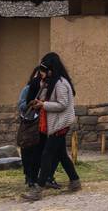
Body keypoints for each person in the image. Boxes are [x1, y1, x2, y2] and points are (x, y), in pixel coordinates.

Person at [24, 52, 80, 201]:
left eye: (43, 71)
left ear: (51, 70)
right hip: (55, 123)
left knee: (47, 154)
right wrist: (39, 103)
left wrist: (44, 105)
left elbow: (62, 104)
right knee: (61, 154)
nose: (40, 74)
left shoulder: (61, 83)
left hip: (60, 124)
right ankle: (75, 181)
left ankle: (38, 189)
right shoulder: (51, 82)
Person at [17, 64, 48, 192]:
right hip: (30, 123)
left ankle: (37, 176)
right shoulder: (27, 89)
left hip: (41, 123)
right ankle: (29, 176)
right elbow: (21, 105)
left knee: (39, 151)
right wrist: (31, 103)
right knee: (27, 150)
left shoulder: (47, 89)